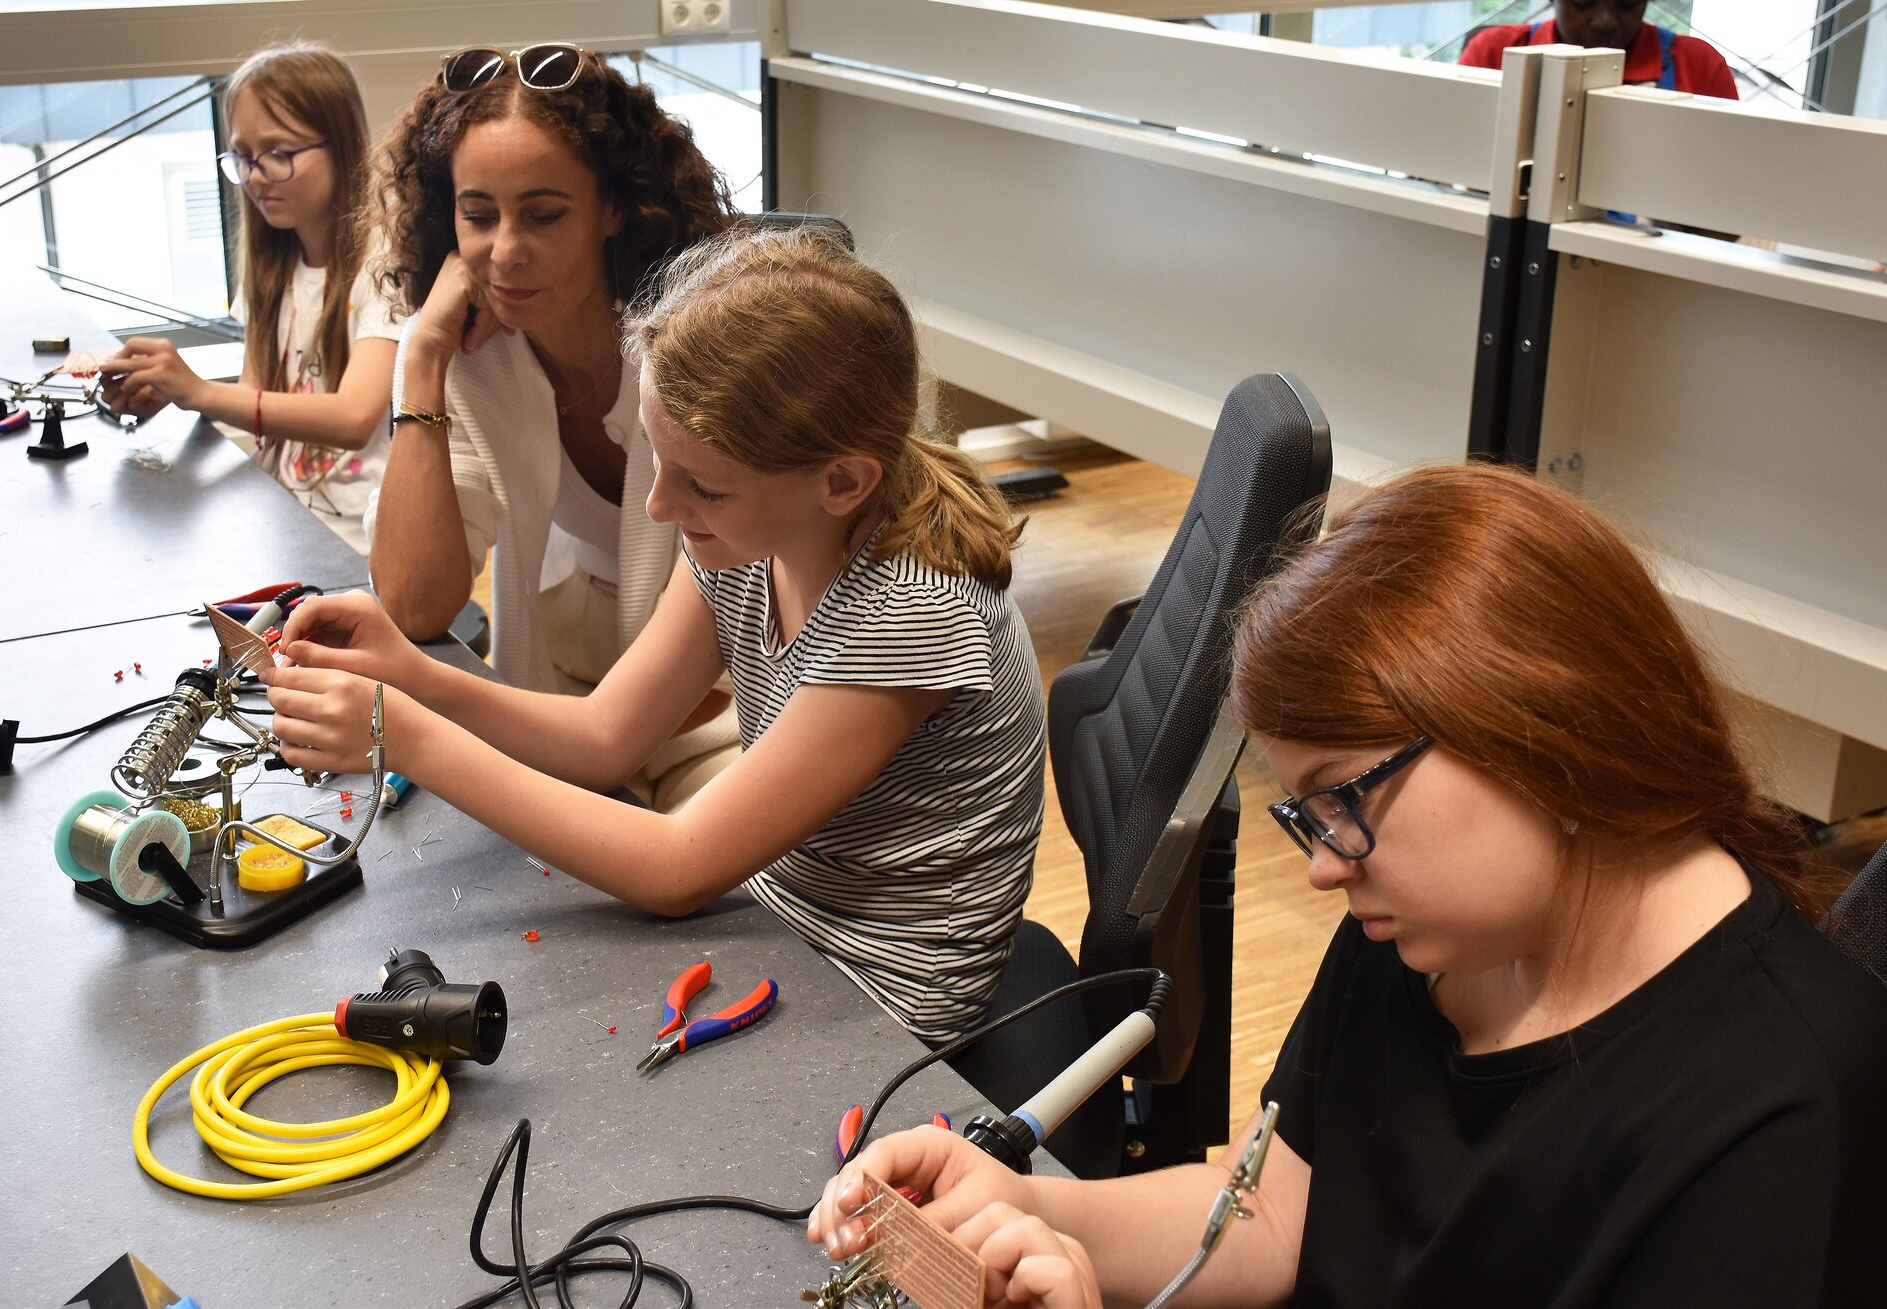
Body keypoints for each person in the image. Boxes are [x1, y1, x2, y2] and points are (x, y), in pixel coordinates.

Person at [810, 465, 1887, 1307]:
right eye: (1303, 815)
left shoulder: (1782, 1114)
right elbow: (1277, 1210)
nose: (1324, 864)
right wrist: (1025, 1206)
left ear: (1537, 730)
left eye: (1340, 799)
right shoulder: (1424, 928)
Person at [261, 226, 1046, 1043]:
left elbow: (676, 869)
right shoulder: (756, 531)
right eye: (658, 458)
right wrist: (416, 677)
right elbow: (607, 735)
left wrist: (407, 736)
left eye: (700, 483)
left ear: (842, 482)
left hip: (883, 997)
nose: (659, 505)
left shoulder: (912, 612)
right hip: (784, 918)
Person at [362, 44, 732, 704]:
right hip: (574, 674)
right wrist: (419, 357)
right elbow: (417, 605)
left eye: (543, 214)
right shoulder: (467, 356)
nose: (503, 252)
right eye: (478, 214)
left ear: (613, 209)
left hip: (729, 695)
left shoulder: (705, 348)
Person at [100, 42, 404, 550]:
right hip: (289, 526)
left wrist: (199, 392)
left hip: (363, 546)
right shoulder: (273, 267)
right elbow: (257, 400)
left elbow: (353, 418)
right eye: (242, 157)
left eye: (279, 154)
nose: (257, 177)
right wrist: (176, 395)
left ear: (343, 144)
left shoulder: (386, 265)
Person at [1460, 0, 1739, 99]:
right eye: (1583, 1)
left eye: (1627, 2)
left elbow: (1730, 217)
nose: (1605, 21)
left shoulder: (1698, 65)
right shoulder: (1493, 53)